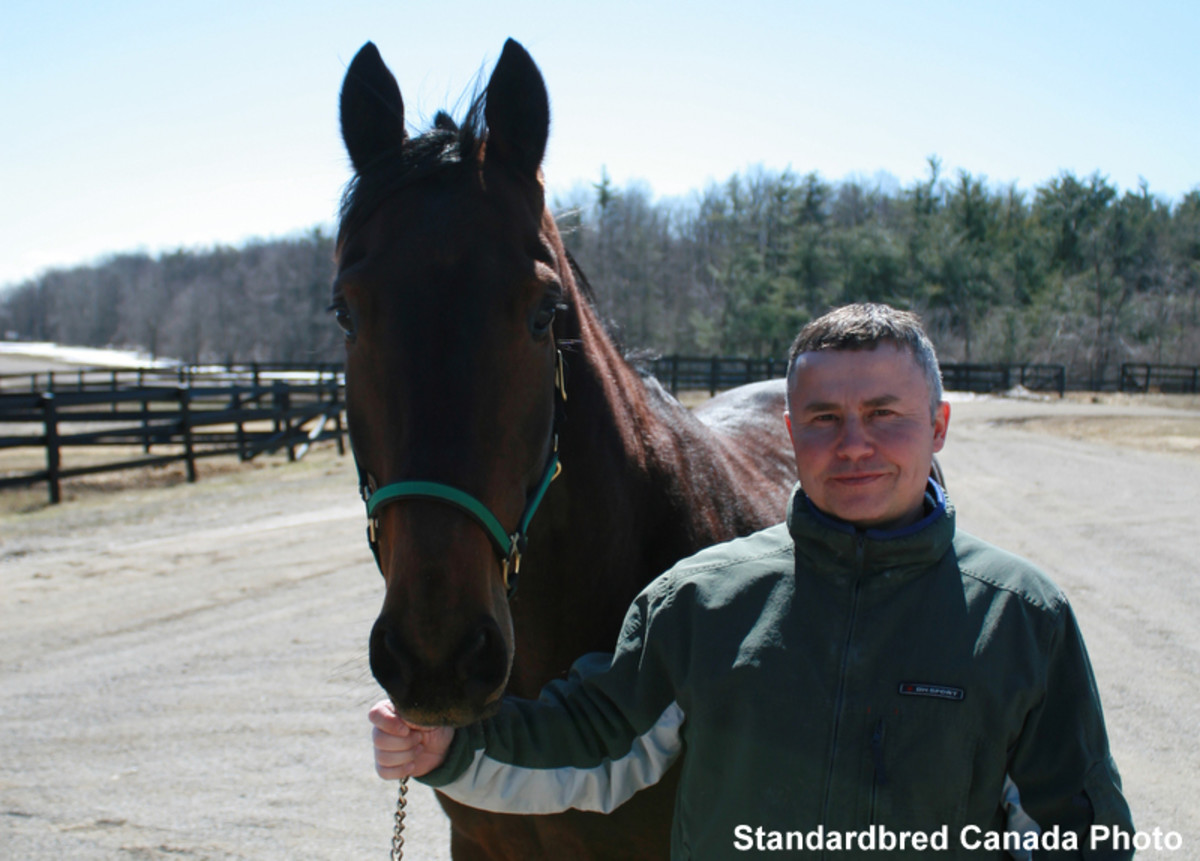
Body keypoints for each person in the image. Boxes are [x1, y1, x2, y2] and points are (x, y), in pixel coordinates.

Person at [370, 303, 1133, 859]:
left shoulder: (1021, 618)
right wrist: (452, 748)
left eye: (884, 414)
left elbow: (1078, 831)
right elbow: (596, 743)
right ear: (791, 431)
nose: (854, 444)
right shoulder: (701, 602)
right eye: (824, 418)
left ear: (937, 426)